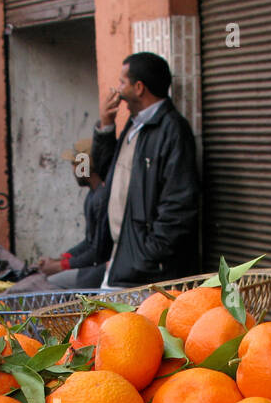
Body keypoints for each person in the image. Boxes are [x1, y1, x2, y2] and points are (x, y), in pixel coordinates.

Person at [83, 52, 199, 289]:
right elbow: (107, 172)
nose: (117, 89)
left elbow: (179, 206)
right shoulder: (136, 125)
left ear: (138, 87)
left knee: (125, 327)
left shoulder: (172, 130)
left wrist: (145, 258)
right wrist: (106, 124)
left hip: (145, 271)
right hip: (122, 260)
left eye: (122, 82)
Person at [36, 138, 108, 290]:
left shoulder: (101, 197)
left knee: (48, 285)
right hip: (89, 267)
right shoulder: (92, 195)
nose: (73, 169)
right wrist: (61, 258)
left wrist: (60, 266)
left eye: (75, 164)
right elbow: (89, 242)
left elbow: (98, 251)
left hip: (99, 270)